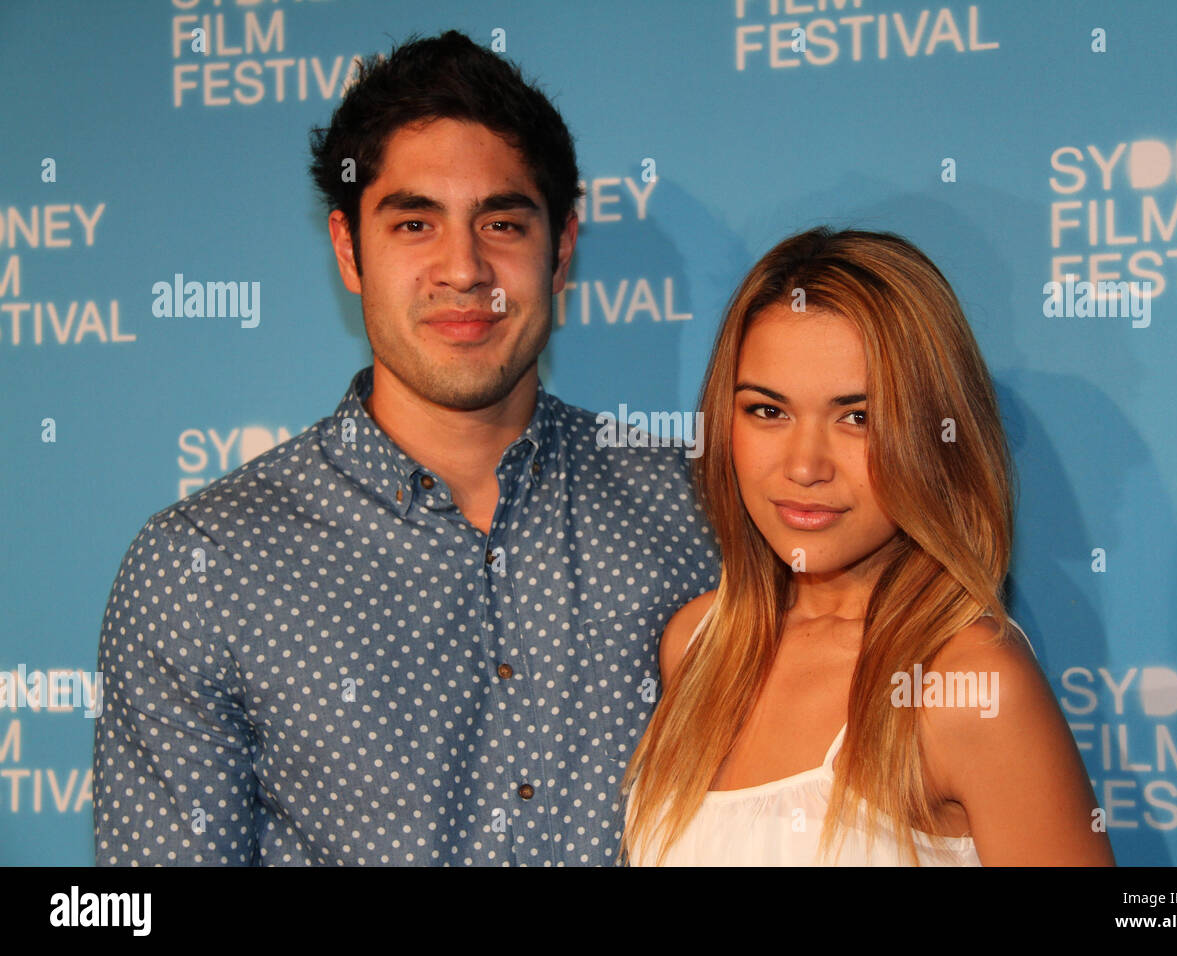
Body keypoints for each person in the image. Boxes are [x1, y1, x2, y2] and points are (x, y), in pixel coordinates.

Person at [93, 31, 719, 866]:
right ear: (350, 250)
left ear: (562, 249)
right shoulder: (202, 568)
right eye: (415, 222)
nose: (463, 268)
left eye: (501, 221)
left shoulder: (701, 515)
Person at [621, 228, 1115, 866]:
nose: (804, 466)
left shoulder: (965, 684)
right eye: (768, 411)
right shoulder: (697, 642)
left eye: (859, 417)